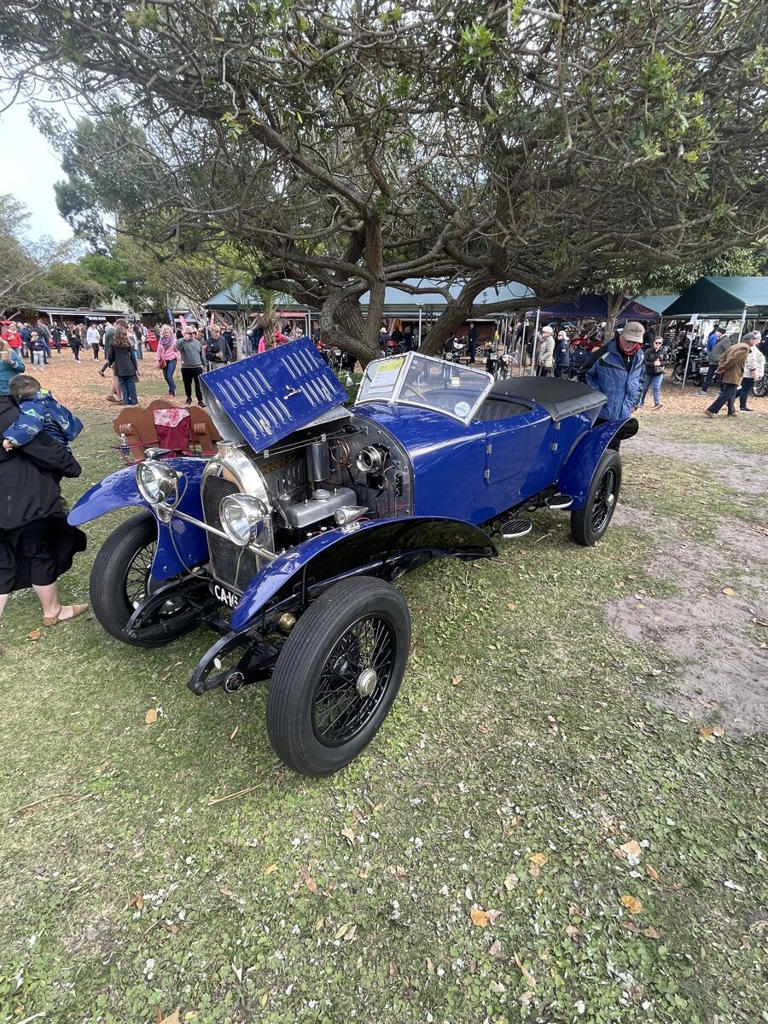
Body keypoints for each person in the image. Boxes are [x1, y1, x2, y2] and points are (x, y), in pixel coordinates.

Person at [0, 391, 87, 626]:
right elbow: (44, 449)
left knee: (2, 563)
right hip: (24, 498)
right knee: (40, 553)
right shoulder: (12, 415)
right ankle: (53, 611)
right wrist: (71, 467)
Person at [3, 375, 83, 451]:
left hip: (51, 450)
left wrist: (11, 440)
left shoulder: (32, 406)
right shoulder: (48, 402)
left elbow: (29, 424)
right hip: (62, 446)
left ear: (17, 394)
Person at [584, 320, 645, 420]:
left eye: (635, 342)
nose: (630, 344)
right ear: (621, 335)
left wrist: (636, 403)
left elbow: (640, 380)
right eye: (628, 340)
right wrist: (598, 399)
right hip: (600, 414)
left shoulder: (640, 356)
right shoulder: (604, 353)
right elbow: (584, 375)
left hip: (624, 414)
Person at [704, 333, 755, 418]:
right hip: (733, 373)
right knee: (727, 393)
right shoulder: (745, 348)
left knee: (732, 392)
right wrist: (722, 368)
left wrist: (722, 366)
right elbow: (733, 360)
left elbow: (722, 357)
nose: (754, 341)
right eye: (753, 339)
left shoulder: (735, 346)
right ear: (749, 340)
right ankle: (711, 410)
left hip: (728, 372)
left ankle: (731, 411)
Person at [108, 323, 139, 406]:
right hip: (129, 366)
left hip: (119, 366)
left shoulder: (113, 343)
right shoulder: (127, 342)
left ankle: (126, 401)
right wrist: (135, 367)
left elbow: (110, 355)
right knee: (131, 384)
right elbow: (133, 356)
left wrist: (111, 362)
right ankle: (134, 401)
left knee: (123, 385)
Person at [735, 332, 765, 412]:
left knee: (743, 389)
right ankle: (743, 407)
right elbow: (751, 361)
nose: (761, 339)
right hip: (750, 372)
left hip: (749, 372)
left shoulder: (754, 348)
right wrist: (755, 373)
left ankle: (729, 399)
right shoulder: (752, 349)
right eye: (759, 337)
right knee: (745, 390)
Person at [177, 324, 205, 406]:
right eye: (190, 333)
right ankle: (189, 397)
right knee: (187, 383)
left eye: (193, 333)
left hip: (197, 367)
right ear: (185, 333)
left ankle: (200, 400)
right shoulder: (181, 341)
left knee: (198, 384)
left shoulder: (198, 343)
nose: (192, 335)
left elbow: (201, 354)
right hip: (186, 367)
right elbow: (177, 347)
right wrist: (184, 339)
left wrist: (204, 364)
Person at [698, 325, 728, 394]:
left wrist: (722, 359)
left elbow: (727, 351)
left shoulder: (725, 340)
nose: (716, 332)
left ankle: (723, 391)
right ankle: (704, 390)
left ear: (721, 332)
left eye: (717, 331)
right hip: (713, 361)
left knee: (719, 377)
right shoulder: (718, 339)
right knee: (710, 376)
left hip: (719, 361)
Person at [639, 336, 667, 409]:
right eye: (656, 342)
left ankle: (657, 403)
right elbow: (645, 361)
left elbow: (666, 361)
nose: (657, 344)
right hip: (648, 372)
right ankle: (640, 402)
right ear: (653, 342)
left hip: (658, 373)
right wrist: (653, 364)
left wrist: (660, 363)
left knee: (656, 387)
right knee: (644, 388)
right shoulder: (648, 351)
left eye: (659, 343)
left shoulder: (663, 352)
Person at [156, 325, 179, 398]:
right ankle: (172, 388)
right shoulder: (161, 340)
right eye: (165, 332)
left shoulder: (174, 340)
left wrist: (174, 356)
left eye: (168, 332)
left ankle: (172, 391)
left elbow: (178, 351)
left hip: (172, 360)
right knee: (166, 376)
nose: (166, 334)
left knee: (169, 375)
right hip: (164, 360)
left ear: (170, 333)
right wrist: (157, 359)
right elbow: (158, 350)